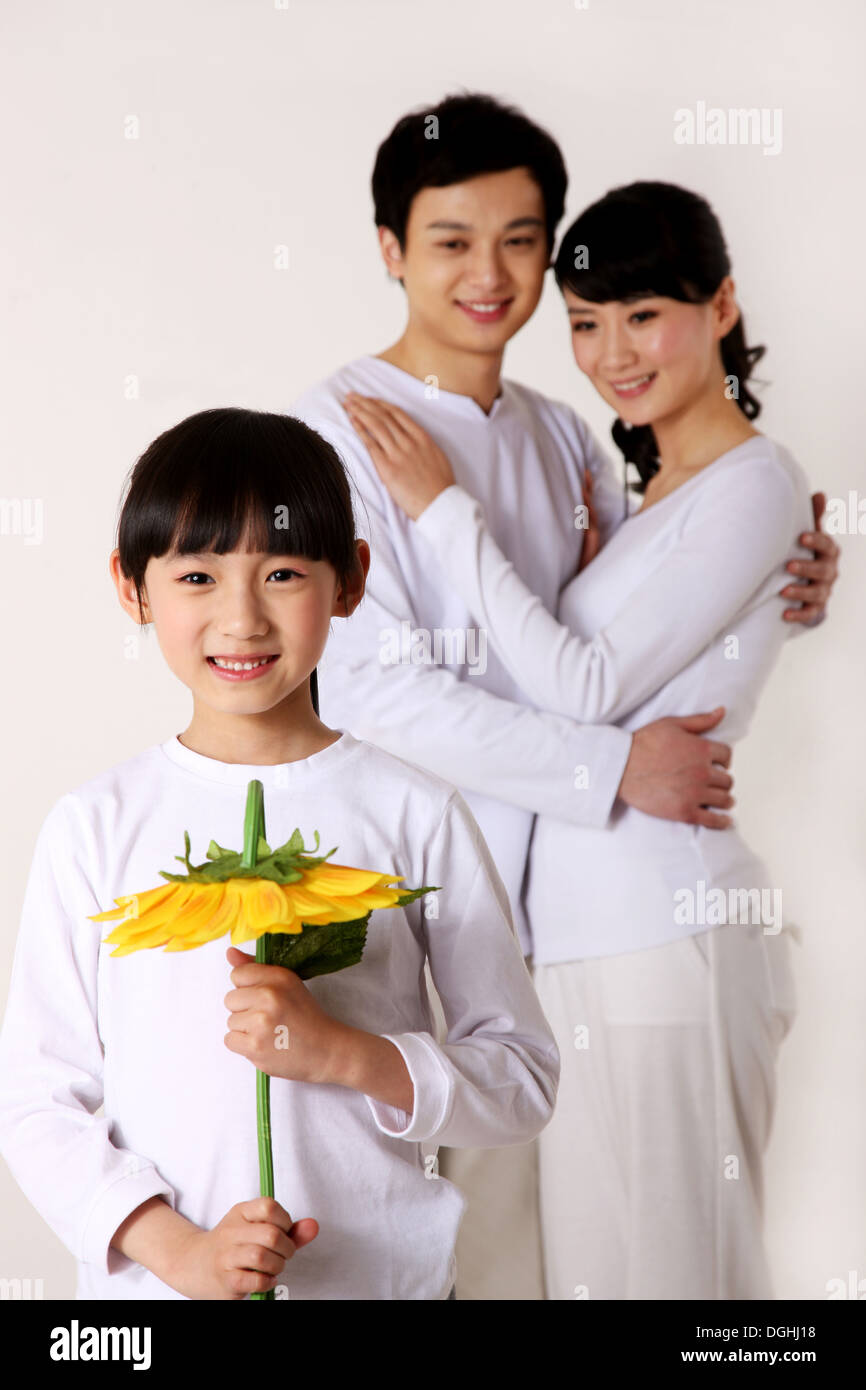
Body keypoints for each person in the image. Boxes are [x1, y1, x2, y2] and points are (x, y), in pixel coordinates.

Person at [288, 93, 840, 1299]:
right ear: (391, 249)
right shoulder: (341, 435)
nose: (490, 275)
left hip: (575, 932)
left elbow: (639, 601)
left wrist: (787, 577)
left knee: (597, 1265)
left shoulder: (565, 437)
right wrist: (607, 768)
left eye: (521, 239)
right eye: (450, 240)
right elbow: (375, 690)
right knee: (448, 1257)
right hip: (414, 916)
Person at [0, 407, 560, 1301]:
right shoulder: (93, 826)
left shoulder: (414, 812)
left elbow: (522, 1077)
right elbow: (34, 1103)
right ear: (131, 588)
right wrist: (177, 1250)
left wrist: (346, 1054)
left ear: (350, 581)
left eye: (285, 572)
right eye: (196, 575)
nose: (242, 617)